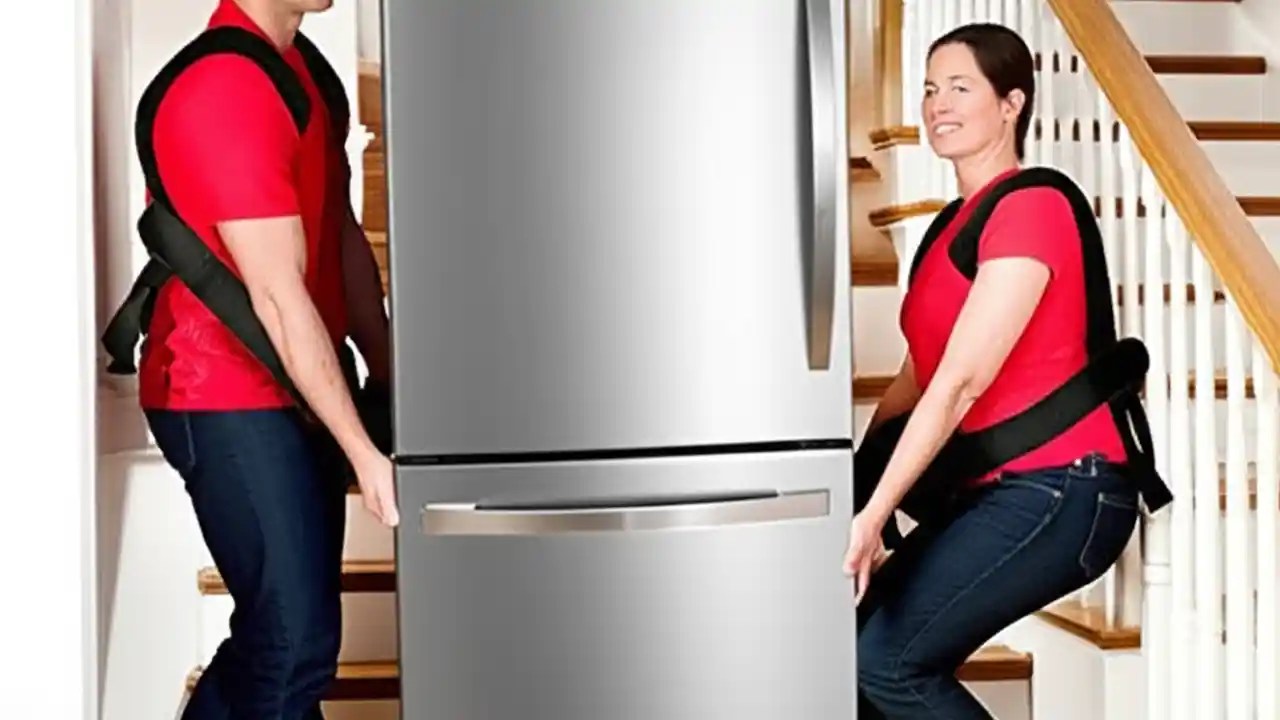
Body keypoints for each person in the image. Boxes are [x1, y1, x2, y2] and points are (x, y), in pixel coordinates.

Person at [842, 23, 1143, 719]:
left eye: (959, 87)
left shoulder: (1034, 205)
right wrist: (853, 486)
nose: (937, 104)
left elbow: (961, 384)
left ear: (1012, 104)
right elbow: (917, 379)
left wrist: (875, 516)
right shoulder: (946, 231)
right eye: (927, 89)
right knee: (855, 652)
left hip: (1067, 490)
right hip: (998, 494)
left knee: (887, 663)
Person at [135, 0, 397, 716]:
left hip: (295, 385)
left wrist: (386, 365)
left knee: (284, 642)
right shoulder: (227, 86)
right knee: (290, 644)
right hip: (221, 391)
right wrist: (362, 452)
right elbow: (278, 298)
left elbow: (340, 234)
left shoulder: (304, 71)